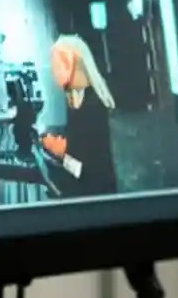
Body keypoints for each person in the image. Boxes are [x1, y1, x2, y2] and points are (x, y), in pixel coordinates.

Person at [41, 33, 119, 197]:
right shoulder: (79, 101)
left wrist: (60, 154)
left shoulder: (91, 108)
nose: (53, 70)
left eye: (56, 64)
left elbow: (86, 173)